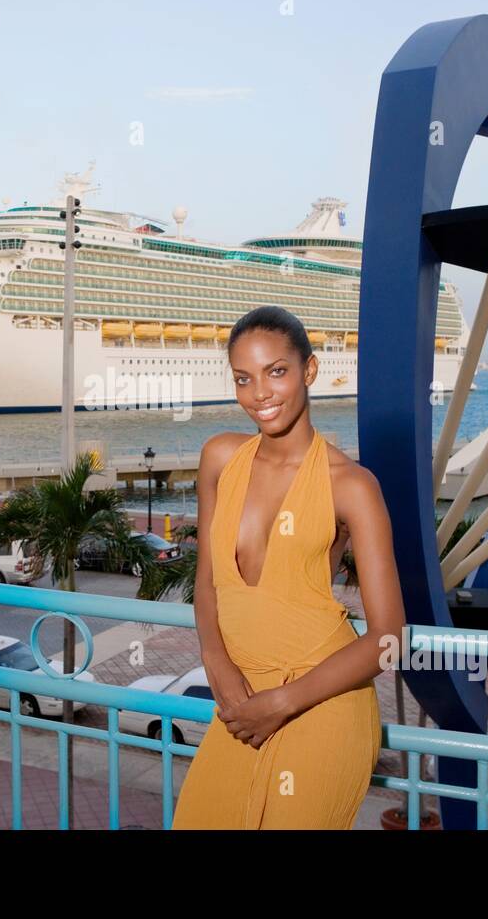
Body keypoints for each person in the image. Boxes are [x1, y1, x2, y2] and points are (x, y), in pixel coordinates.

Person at [171, 305, 403, 830]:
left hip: (322, 705)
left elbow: (389, 639)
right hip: (242, 703)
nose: (260, 393)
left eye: (276, 371)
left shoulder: (352, 485)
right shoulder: (220, 458)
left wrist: (283, 702)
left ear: (309, 370)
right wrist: (216, 661)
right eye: (244, 379)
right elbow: (207, 581)